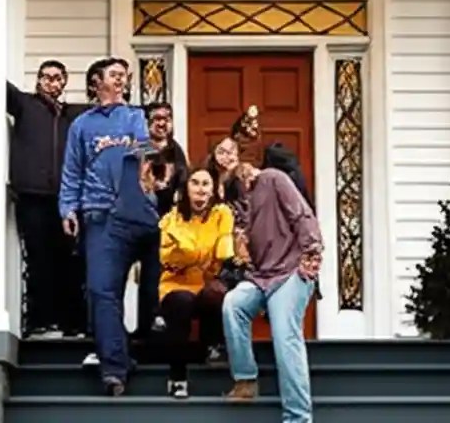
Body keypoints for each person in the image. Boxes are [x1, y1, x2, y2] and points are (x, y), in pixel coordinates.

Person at [59, 57, 162, 393]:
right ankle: (115, 369)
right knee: (103, 291)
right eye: (114, 75)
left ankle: (141, 344)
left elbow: (147, 153)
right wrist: (67, 209)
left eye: (124, 77)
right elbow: (73, 171)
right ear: (96, 82)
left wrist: (149, 163)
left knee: (150, 284)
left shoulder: (134, 117)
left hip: (137, 215)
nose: (121, 81)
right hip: (98, 215)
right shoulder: (81, 126)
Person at [221, 162, 323, 423]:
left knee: (285, 335)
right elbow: (247, 248)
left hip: (291, 272)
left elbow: (302, 215)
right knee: (233, 304)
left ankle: (298, 417)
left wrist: (311, 252)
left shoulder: (273, 178)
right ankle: (245, 380)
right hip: (261, 277)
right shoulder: (242, 205)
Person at [7, 59, 89, 339]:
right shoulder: (24, 105)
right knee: (38, 260)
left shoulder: (75, 114)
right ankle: (39, 322)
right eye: (46, 77)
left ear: (64, 82)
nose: (51, 83)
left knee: (69, 260)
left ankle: (71, 323)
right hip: (34, 195)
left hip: (67, 199)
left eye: (57, 78)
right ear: (38, 80)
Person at [158, 168, 234, 398]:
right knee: (182, 301)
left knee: (215, 294)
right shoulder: (172, 219)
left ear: (213, 190)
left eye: (205, 184)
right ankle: (177, 376)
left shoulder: (222, 214)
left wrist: (196, 254)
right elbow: (168, 259)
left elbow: (224, 253)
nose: (200, 190)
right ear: (186, 189)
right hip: (175, 284)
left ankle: (210, 348)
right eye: (195, 183)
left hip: (206, 283)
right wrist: (194, 255)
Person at [146, 102, 189, 217]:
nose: (162, 123)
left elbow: (183, 181)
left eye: (166, 119)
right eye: (157, 119)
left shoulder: (176, 151)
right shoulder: (138, 149)